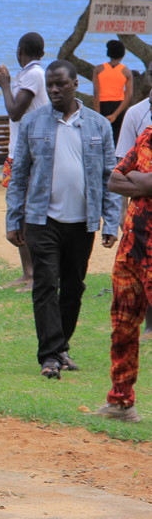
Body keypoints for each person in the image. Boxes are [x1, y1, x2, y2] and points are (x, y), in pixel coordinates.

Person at [5, 60, 120, 380]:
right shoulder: (33, 123)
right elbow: (19, 175)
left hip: (82, 221)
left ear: (75, 85)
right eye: (50, 85)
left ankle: (61, 347)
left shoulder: (99, 125)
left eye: (61, 85)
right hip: (42, 219)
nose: (54, 90)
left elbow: (109, 176)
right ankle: (50, 355)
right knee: (45, 284)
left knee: (74, 287)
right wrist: (14, 219)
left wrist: (111, 222)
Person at [0, 31, 50, 293]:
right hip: (20, 154)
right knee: (18, 214)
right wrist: (6, 81)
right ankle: (28, 273)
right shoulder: (27, 74)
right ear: (41, 52)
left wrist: (3, 84)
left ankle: (34, 275)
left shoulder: (34, 74)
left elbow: (14, 112)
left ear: (20, 50)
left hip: (31, 156)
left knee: (27, 214)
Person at [95, 124, 151, 423]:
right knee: (123, 325)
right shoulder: (147, 136)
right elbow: (115, 179)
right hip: (131, 247)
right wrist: (145, 183)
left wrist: (139, 181)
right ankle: (120, 402)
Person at [114, 59, 152, 340]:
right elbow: (117, 173)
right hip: (140, 214)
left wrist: (145, 181)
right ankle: (148, 325)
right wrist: (141, 186)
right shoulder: (137, 115)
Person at [93, 39, 134, 145]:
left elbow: (96, 93)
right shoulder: (126, 71)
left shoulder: (98, 69)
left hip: (102, 106)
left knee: (101, 139)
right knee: (117, 140)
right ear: (122, 54)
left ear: (108, 53)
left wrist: (97, 115)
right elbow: (129, 95)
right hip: (119, 107)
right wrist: (115, 115)